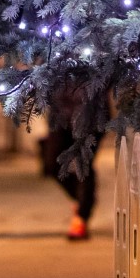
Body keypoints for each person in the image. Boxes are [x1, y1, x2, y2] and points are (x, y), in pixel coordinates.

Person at [41, 81, 101, 242]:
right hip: (60, 114)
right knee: (52, 165)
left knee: (83, 163)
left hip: (90, 115)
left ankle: (81, 217)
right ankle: (83, 199)